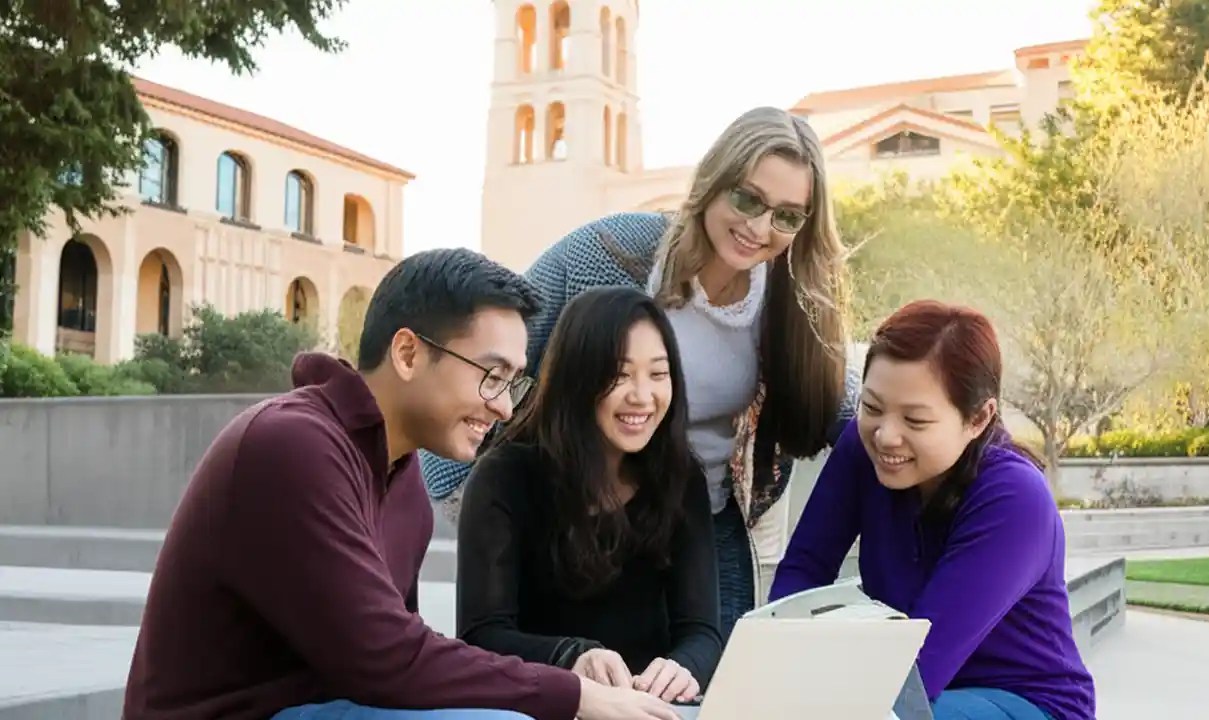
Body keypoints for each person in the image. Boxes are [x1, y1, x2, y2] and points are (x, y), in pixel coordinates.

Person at [122, 249, 682, 720]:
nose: (506, 408)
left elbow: (403, 658)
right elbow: (387, 658)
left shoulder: (402, 477)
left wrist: (562, 679)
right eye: (491, 376)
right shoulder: (291, 446)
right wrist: (574, 694)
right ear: (409, 352)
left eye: (514, 381)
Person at [423, 106, 859, 637]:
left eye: (788, 216)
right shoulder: (609, 253)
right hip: (574, 504)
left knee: (705, 683)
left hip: (699, 516)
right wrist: (460, 481)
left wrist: (979, 450)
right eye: (747, 199)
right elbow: (499, 343)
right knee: (569, 676)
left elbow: (852, 412)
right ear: (713, 181)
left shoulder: (792, 303)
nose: (759, 228)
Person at [768, 300, 1096, 720]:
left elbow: (918, 671)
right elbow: (804, 569)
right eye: (871, 407)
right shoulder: (862, 445)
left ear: (978, 419)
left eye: (916, 421)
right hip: (912, 691)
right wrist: (765, 671)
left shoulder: (1015, 498)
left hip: (1023, 703)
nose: (886, 435)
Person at [456, 287, 723, 706]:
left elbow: (702, 630)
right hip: (546, 704)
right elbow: (481, 635)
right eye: (618, 375)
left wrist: (683, 666)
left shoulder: (680, 476)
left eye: (658, 373)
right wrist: (573, 657)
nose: (642, 396)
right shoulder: (504, 477)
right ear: (576, 379)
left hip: (649, 708)